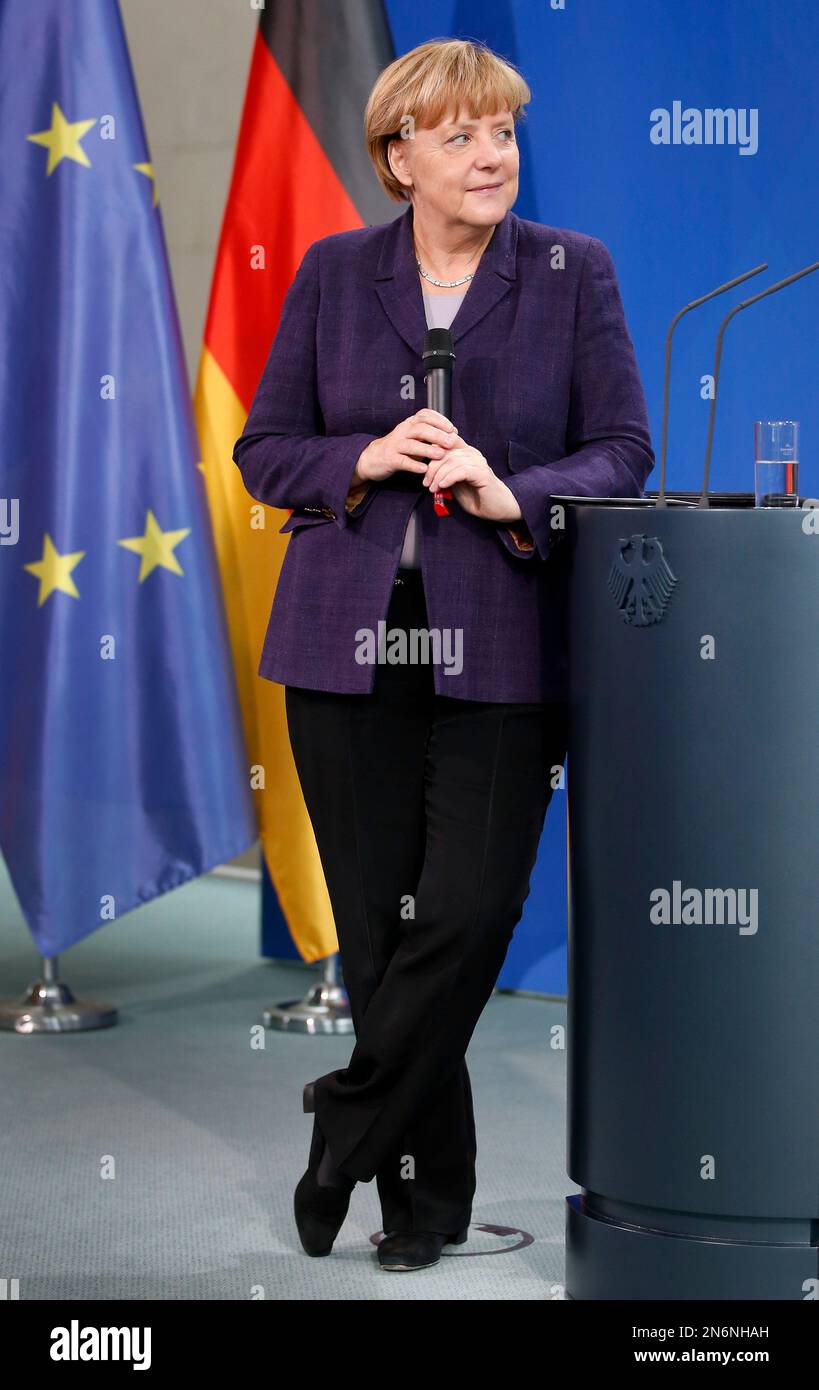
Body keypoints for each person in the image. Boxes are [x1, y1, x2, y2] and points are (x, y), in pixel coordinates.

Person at [232, 37, 654, 1273]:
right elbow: (266, 449)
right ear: (397, 155)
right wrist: (358, 458)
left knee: (465, 915)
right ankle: (419, 1205)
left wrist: (509, 487)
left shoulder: (575, 274)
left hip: (502, 650)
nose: (492, 156)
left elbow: (624, 448)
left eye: (505, 133)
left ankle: (345, 1120)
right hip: (344, 655)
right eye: (461, 135)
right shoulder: (331, 272)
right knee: (377, 931)